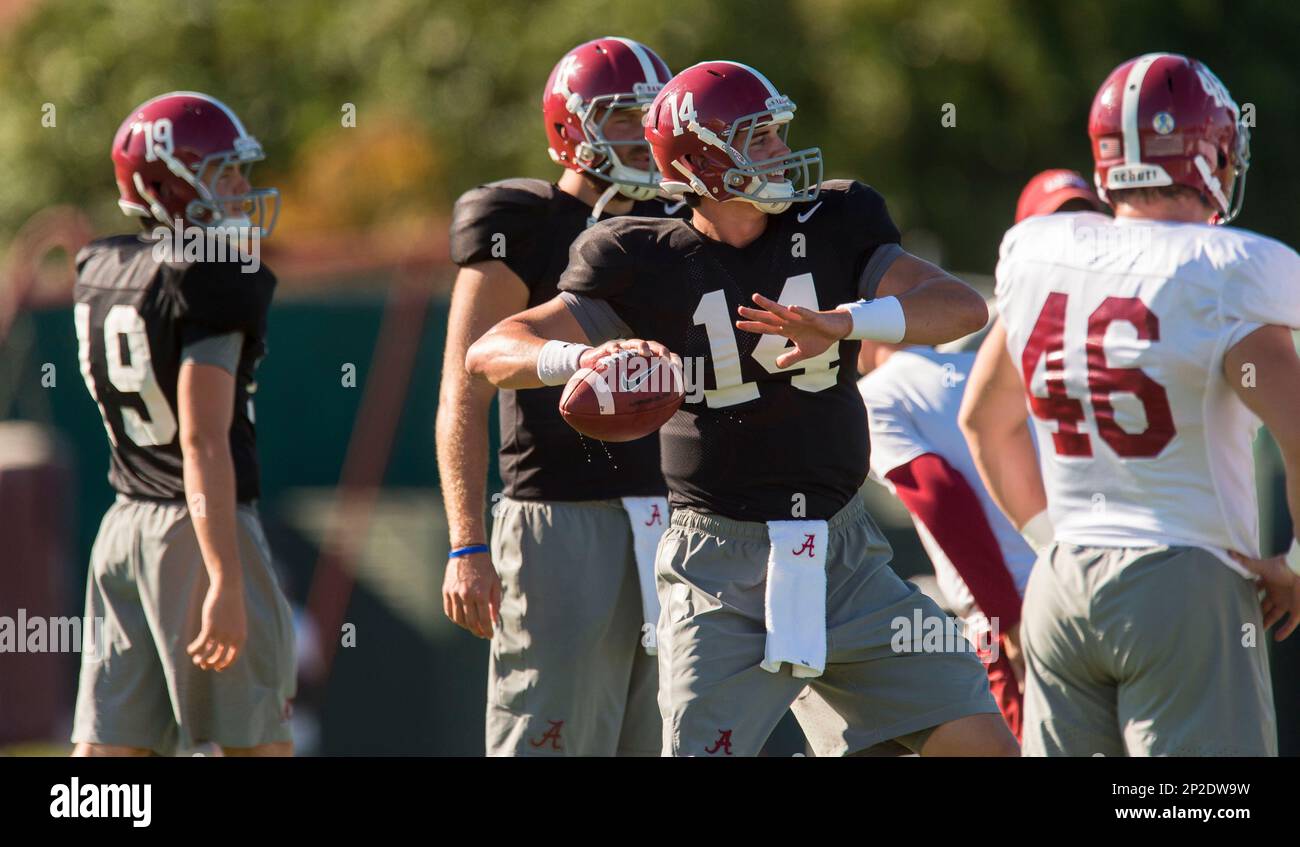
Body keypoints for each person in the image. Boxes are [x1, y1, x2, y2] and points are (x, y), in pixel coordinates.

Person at [466, 60, 1017, 757]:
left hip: (846, 555)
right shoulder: (641, 254)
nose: (781, 153)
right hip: (718, 568)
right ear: (702, 159)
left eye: (778, 134)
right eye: (759, 139)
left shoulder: (836, 219)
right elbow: (491, 349)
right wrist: (583, 358)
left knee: (981, 742)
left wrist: (845, 323)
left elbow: (960, 307)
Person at [960, 53, 1300, 756]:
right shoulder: (1227, 273)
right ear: (1210, 155)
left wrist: (1055, 540)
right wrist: (1295, 564)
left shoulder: (1042, 252)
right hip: (1182, 580)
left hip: (1062, 590)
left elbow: (984, 421)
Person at [439, 37, 682, 756]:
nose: (640, 135)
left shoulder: (680, 220)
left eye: (651, 116)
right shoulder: (523, 221)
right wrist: (466, 541)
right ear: (570, 127)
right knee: (548, 740)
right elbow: (465, 383)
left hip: (673, 518)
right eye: (619, 118)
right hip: (559, 520)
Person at [71, 91, 294, 757]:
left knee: (108, 758)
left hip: (123, 527)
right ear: (167, 184)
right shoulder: (213, 272)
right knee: (257, 744)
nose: (240, 188)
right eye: (224, 173)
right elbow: (201, 437)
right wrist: (224, 572)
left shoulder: (102, 266)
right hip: (196, 528)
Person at [856, 171, 1106, 740]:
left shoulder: (878, 395)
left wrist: (1005, 617)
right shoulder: (982, 369)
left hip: (1017, 605)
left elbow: (938, 491)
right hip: (1084, 582)